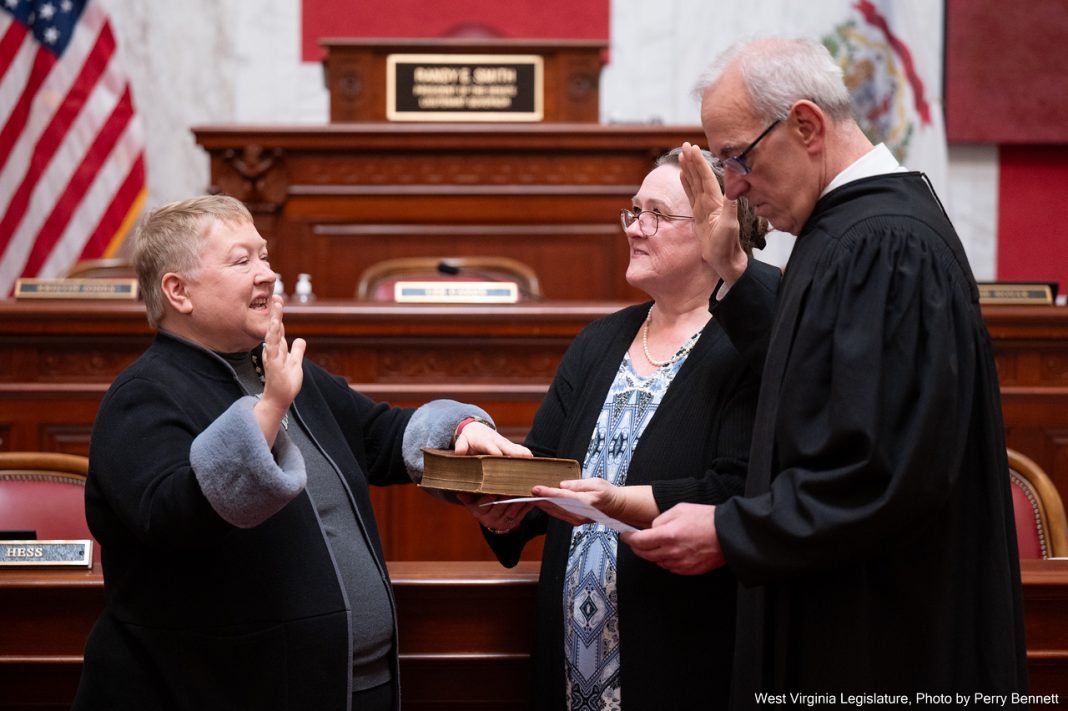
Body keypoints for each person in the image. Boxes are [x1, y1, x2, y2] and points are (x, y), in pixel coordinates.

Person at [624, 37, 1029, 706]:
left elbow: (880, 468)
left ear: (807, 126)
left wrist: (730, 529)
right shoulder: (846, 231)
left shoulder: (883, 244)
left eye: (739, 158)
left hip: (882, 645)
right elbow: (817, 382)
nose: (732, 186)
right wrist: (732, 270)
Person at [72, 195, 530, 711]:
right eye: (242, 261)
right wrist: (269, 409)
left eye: (264, 255)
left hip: (357, 685)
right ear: (178, 291)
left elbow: (379, 436)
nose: (267, 274)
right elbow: (176, 515)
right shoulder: (143, 395)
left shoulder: (281, 370)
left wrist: (461, 431)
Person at [462, 148, 776, 710]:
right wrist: (504, 501)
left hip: (683, 651)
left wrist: (619, 501)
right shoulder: (599, 341)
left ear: (715, 229)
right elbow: (547, 466)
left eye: (657, 215)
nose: (634, 228)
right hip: (569, 665)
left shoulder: (749, 345)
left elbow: (736, 490)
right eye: (634, 211)